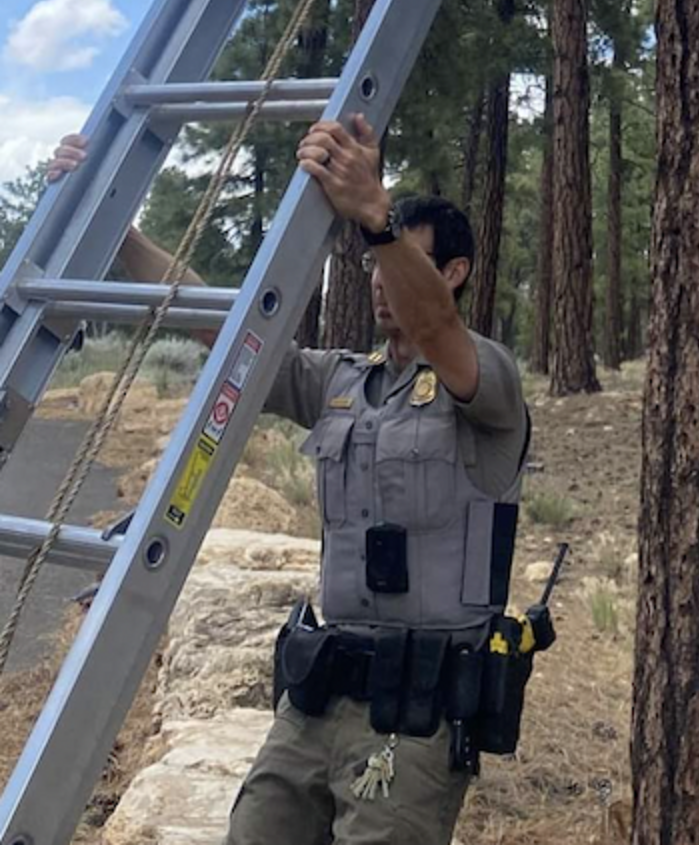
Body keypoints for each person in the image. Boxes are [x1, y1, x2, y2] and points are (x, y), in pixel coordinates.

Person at [48, 118, 530, 845]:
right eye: (371, 262)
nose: (378, 277)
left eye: (399, 259)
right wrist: (122, 237)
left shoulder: (485, 381)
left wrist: (376, 218)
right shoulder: (339, 381)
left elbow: (438, 333)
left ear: (453, 274)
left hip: (419, 711)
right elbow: (229, 329)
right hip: (317, 695)